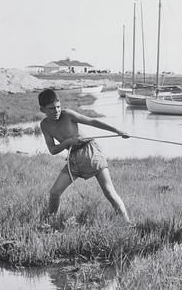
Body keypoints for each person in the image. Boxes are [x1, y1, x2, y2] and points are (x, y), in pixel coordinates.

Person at [38, 88, 132, 224]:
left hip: (90, 152)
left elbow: (92, 121)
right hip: (74, 158)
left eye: (58, 107)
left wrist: (118, 131)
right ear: (42, 110)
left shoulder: (68, 114)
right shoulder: (44, 125)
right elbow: (52, 150)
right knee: (54, 193)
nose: (56, 111)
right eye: (51, 108)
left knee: (109, 191)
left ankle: (127, 223)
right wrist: (68, 142)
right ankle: (50, 223)